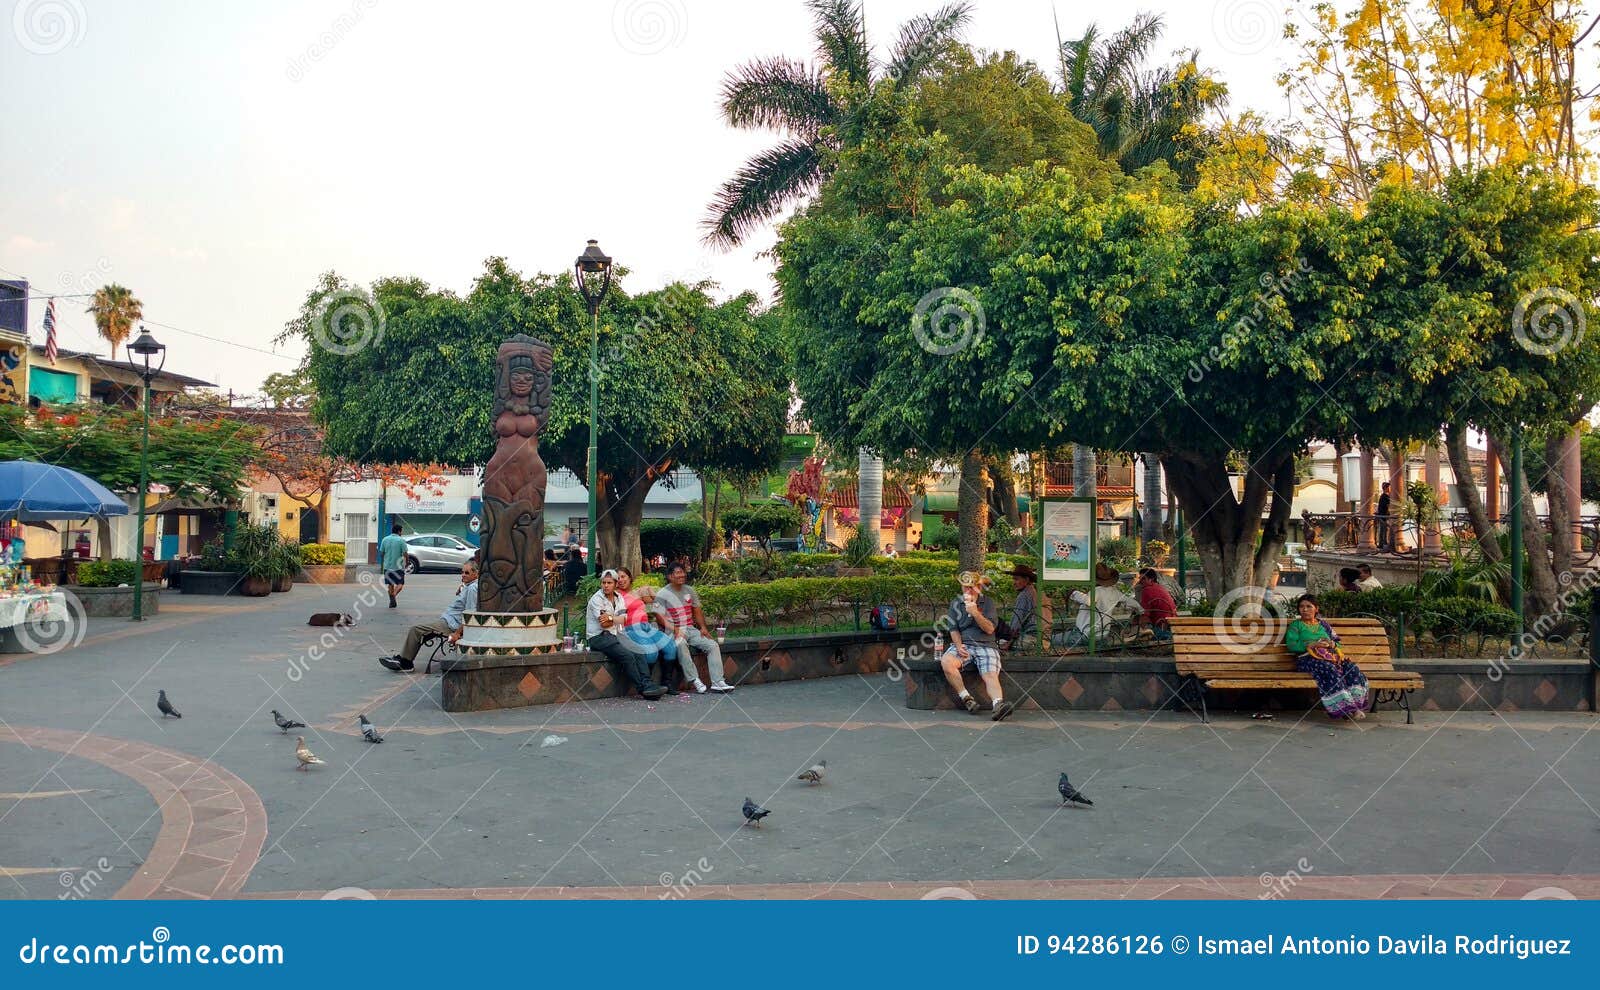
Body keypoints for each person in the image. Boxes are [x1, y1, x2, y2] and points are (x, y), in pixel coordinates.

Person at [938, 572, 1013, 721]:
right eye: (964, 587)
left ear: (979, 587)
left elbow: (990, 629)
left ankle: (998, 705)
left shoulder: (988, 603)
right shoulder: (956, 603)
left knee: (990, 674)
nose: (967, 591)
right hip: (964, 644)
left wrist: (975, 613)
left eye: (971, 588)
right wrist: (959, 646)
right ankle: (966, 698)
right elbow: (953, 629)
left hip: (986, 645)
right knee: (946, 661)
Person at [378, 560, 477, 672]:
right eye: (462, 572)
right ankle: (404, 658)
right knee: (422, 632)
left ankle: (406, 663)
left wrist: (457, 633)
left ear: (476, 574)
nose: (463, 575)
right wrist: (463, 586)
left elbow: (470, 614)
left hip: (451, 625)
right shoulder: (470, 586)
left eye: (467, 573)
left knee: (416, 630)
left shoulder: (473, 589)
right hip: (448, 620)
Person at [585, 569, 666, 700]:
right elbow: (604, 624)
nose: (606, 585)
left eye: (609, 583)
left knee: (638, 651)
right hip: (598, 637)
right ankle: (643, 689)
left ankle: (648, 684)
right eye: (604, 583)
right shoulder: (597, 599)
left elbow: (624, 620)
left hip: (616, 634)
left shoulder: (619, 598)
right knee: (627, 655)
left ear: (615, 584)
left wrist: (611, 618)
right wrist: (615, 619)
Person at [1285, 594, 1368, 719]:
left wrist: (1332, 644)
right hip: (1306, 659)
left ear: (1316, 609)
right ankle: (1345, 708)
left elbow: (1337, 643)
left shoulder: (1324, 625)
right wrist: (1312, 645)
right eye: (1301, 607)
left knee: (1351, 667)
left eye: (1309, 606)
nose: (1305, 609)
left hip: (1330, 657)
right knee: (1328, 668)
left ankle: (1354, 706)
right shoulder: (1296, 626)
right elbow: (1292, 646)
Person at [657, 562, 735, 693]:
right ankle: (694, 680)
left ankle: (718, 681)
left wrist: (703, 627)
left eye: (683, 572)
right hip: (671, 629)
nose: (681, 575)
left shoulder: (689, 590)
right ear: (670, 576)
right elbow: (659, 617)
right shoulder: (663, 593)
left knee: (712, 645)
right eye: (677, 573)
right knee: (681, 645)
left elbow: (697, 611)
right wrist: (675, 630)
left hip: (690, 628)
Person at [615, 568, 684, 694]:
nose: (621, 580)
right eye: (618, 578)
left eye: (623, 576)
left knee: (671, 647)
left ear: (630, 578)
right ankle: (647, 684)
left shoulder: (637, 593)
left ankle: (666, 683)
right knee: (651, 653)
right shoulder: (616, 596)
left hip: (647, 626)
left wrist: (650, 591)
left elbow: (658, 604)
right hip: (631, 628)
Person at [1053, 564, 1130, 648]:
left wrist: (1074, 593)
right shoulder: (1113, 592)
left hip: (1084, 634)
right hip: (1102, 634)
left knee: (1051, 640)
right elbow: (1132, 603)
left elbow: (1089, 601)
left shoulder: (1096, 591)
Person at [1133, 568, 1177, 641]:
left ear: (1151, 579)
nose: (1140, 581)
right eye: (1140, 579)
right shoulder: (1159, 587)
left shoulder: (1147, 590)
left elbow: (1144, 615)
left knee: (1139, 639)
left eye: (1143, 579)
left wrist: (1140, 630)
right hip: (1172, 624)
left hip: (1162, 627)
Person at [1002, 563, 1039, 652]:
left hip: (1029, 638)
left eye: (1016, 579)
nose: (1014, 583)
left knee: (995, 642)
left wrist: (1008, 642)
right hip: (1037, 637)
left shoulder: (1024, 595)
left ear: (1026, 580)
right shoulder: (1032, 591)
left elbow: (1016, 623)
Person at [378, 522, 408, 609]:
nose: (401, 533)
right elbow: (405, 553)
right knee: (400, 584)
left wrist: (383, 563)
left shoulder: (384, 539)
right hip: (398, 567)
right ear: (399, 531)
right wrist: (407, 562)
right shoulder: (401, 540)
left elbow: (382, 553)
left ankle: (392, 601)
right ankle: (393, 595)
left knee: (390, 584)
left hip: (387, 566)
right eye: (401, 531)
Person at [1375, 481, 1393, 551]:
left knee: (1382, 530)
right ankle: (1384, 544)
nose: (1390, 488)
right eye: (1389, 487)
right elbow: (1389, 505)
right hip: (1384, 516)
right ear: (1386, 488)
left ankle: (1381, 544)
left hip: (1382, 515)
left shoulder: (1383, 496)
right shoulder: (1385, 496)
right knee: (1384, 530)